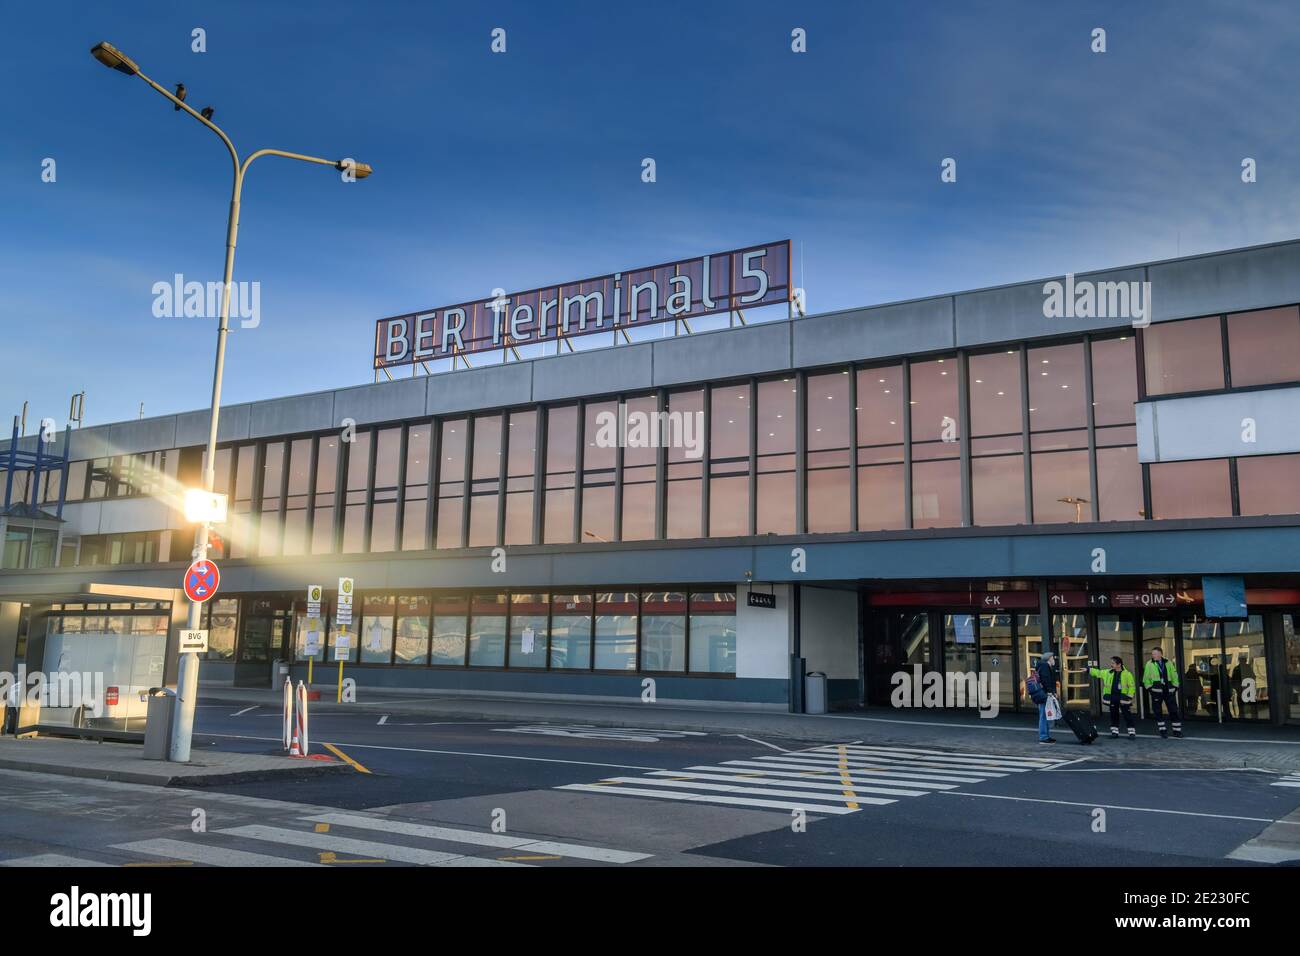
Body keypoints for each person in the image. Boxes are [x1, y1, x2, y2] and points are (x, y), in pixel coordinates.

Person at [1089, 656, 1136, 739]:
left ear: (1119, 664)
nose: (1111, 665)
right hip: (1112, 697)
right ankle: (1114, 732)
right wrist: (1088, 670)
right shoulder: (1108, 672)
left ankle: (1131, 732)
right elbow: (1098, 672)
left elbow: (1132, 686)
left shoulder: (1127, 674)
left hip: (1123, 698)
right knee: (1114, 715)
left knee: (1127, 715)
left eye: (1113, 663)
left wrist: (1129, 696)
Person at [1142, 646, 1183, 738]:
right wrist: (1150, 690)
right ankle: (1163, 731)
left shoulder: (1168, 662)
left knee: (1173, 711)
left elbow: (1174, 675)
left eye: (1155, 654)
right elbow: (1146, 679)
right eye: (1152, 654)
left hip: (1169, 691)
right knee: (1158, 712)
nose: (1153, 655)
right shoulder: (1149, 664)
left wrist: (1175, 687)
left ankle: (1177, 731)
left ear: (1161, 653)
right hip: (1156, 691)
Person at [1029, 650, 1059, 744]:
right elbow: (1046, 680)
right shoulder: (1045, 666)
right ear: (1049, 658)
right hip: (1044, 694)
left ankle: (1046, 736)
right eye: (1052, 657)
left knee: (1045, 715)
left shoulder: (1043, 666)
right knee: (1043, 715)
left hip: (1044, 693)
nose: (1054, 659)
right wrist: (1051, 692)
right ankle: (1043, 737)